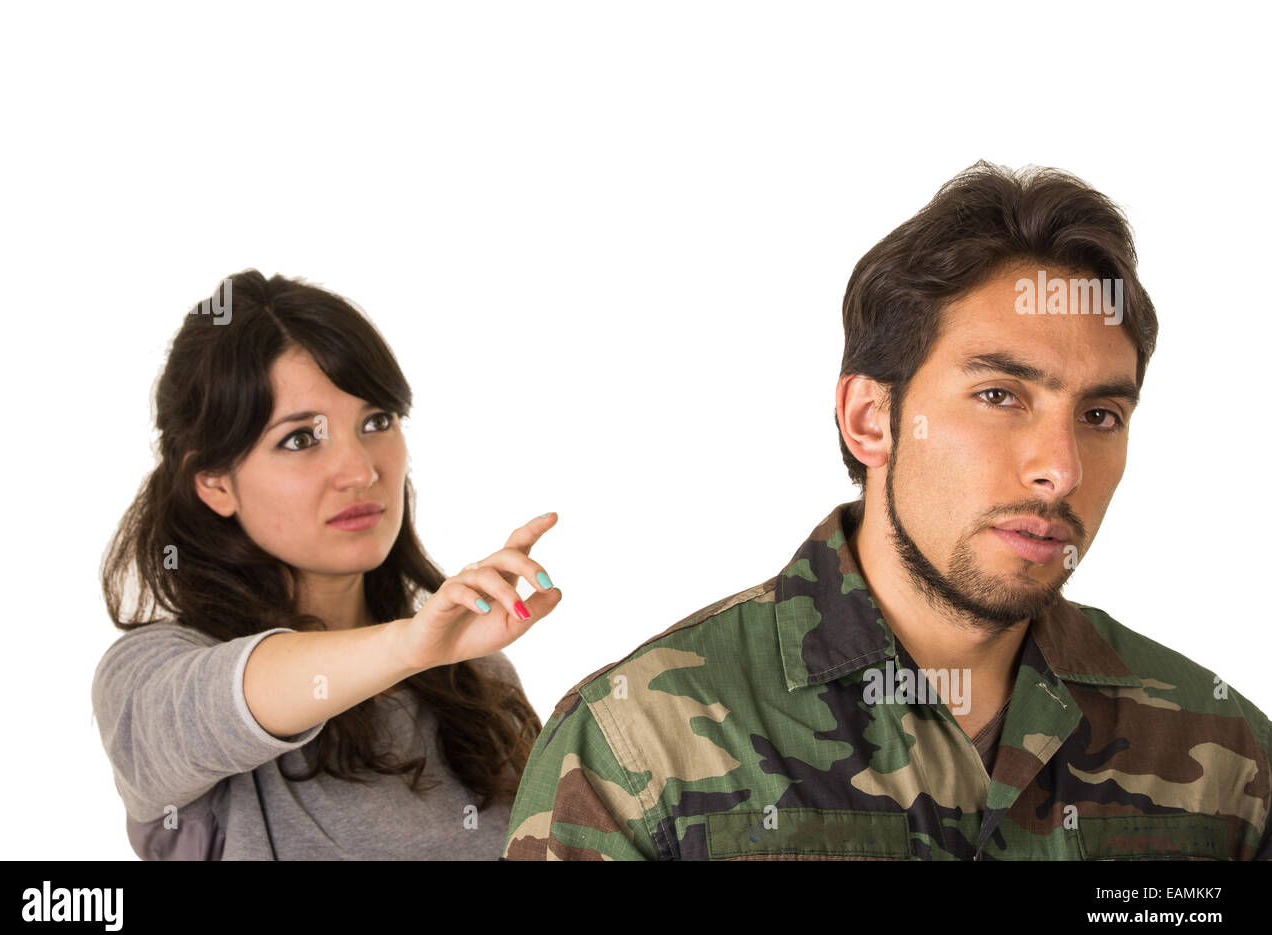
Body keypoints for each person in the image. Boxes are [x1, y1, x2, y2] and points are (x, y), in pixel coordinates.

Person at [503, 161, 1272, 861]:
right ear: (871, 418)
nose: (1059, 468)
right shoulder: (638, 745)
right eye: (1000, 396)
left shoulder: (1226, 758)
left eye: (1100, 415)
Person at [94, 269, 561, 859]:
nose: (362, 470)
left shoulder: (476, 678)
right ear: (213, 483)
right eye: (300, 439)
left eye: (376, 422)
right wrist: (412, 646)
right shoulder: (146, 676)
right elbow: (231, 697)